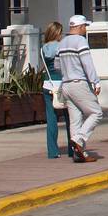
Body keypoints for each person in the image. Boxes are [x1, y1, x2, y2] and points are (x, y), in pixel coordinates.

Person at [56, 15, 104, 163]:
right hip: (79, 83)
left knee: (75, 119)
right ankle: (78, 139)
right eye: (85, 26)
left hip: (66, 85)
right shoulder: (81, 41)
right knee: (96, 113)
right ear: (80, 26)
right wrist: (95, 82)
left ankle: (78, 153)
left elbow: (57, 66)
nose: (85, 29)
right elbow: (87, 63)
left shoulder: (62, 43)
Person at [40, 21, 69, 159]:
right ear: (58, 33)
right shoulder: (61, 47)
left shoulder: (43, 48)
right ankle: (72, 148)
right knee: (70, 117)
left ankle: (52, 151)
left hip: (48, 84)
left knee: (51, 118)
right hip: (62, 84)